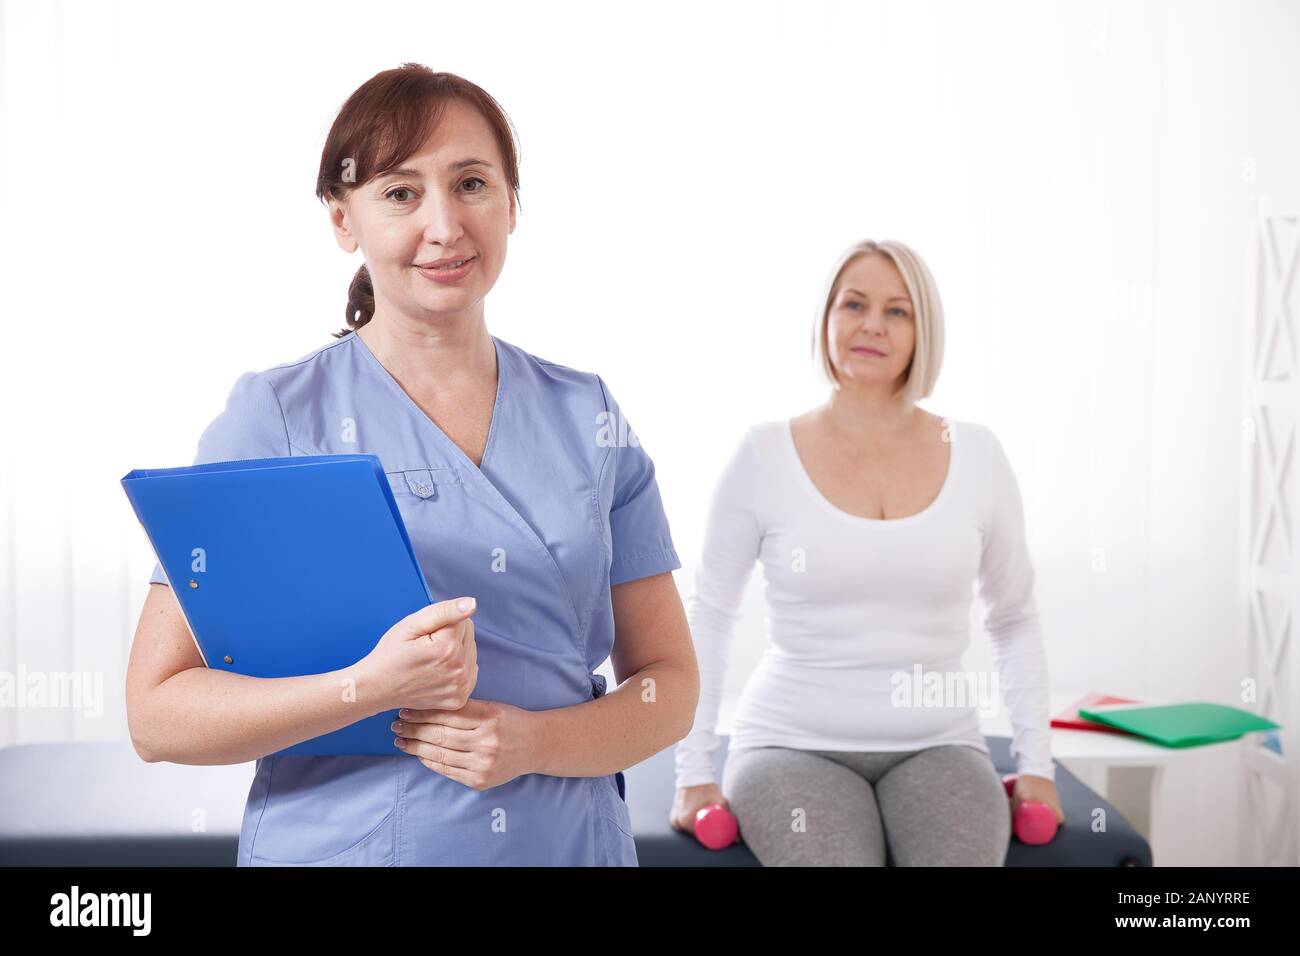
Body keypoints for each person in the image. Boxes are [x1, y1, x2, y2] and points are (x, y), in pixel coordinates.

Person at [125, 64, 698, 866]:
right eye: (400, 193)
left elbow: (667, 684)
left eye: (472, 183)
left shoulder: (588, 414)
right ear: (342, 218)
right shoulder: (278, 418)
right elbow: (157, 715)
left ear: (511, 203)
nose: (444, 224)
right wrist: (372, 687)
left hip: (569, 846)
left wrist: (536, 741)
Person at [669, 239, 1063, 865]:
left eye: (897, 310)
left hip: (941, 745)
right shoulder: (763, 453)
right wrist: (692, 773)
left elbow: (1013, 617)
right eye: (854, 304)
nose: (872, 324)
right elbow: (710, 613)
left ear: (922, 329)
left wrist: (1037, 764)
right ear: (827, 318)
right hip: (790, 745)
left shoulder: (980, 455)